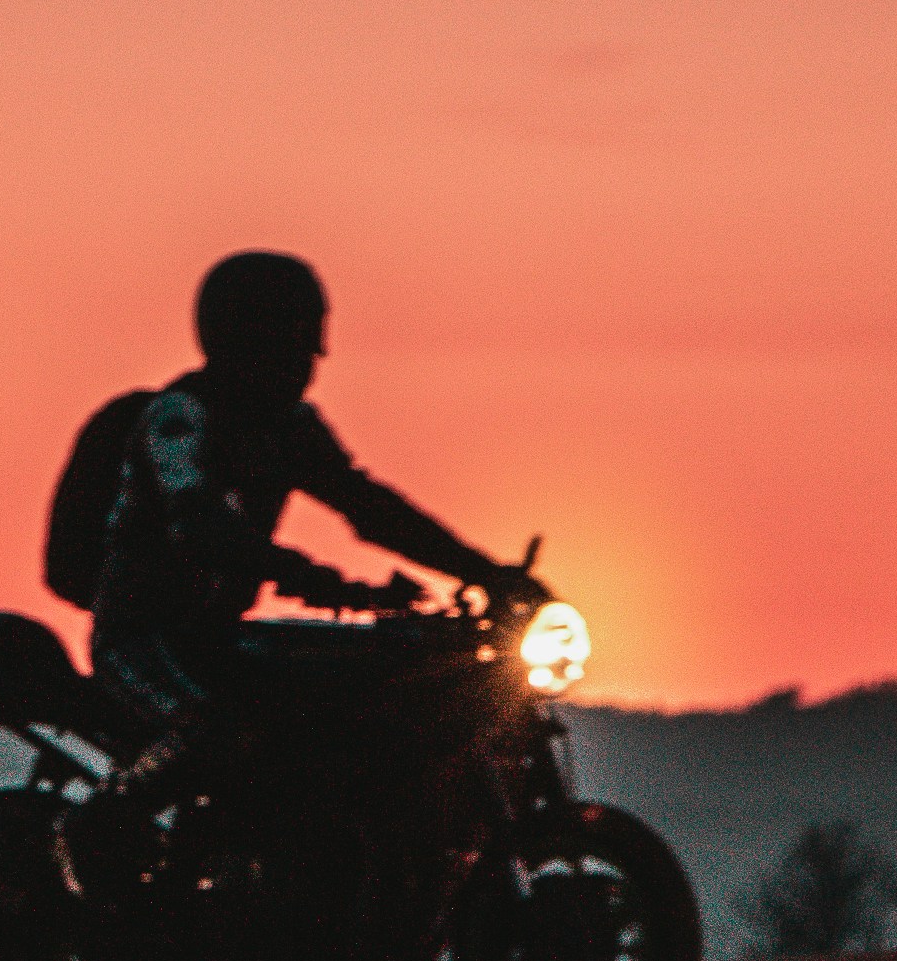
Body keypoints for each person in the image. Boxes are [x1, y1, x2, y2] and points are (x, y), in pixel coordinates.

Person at [57, 251, 543, 898]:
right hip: (144, 636)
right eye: (292, 343)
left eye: (309, 344)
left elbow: (366, 505)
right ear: (244, 340)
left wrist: (487, 571)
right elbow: (199, 524)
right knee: (212, 730)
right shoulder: (180, 418)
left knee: (359, 690)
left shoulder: (290, 427)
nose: (308, 361)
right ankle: (93, 832)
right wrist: (312, 578)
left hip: (218, 637)